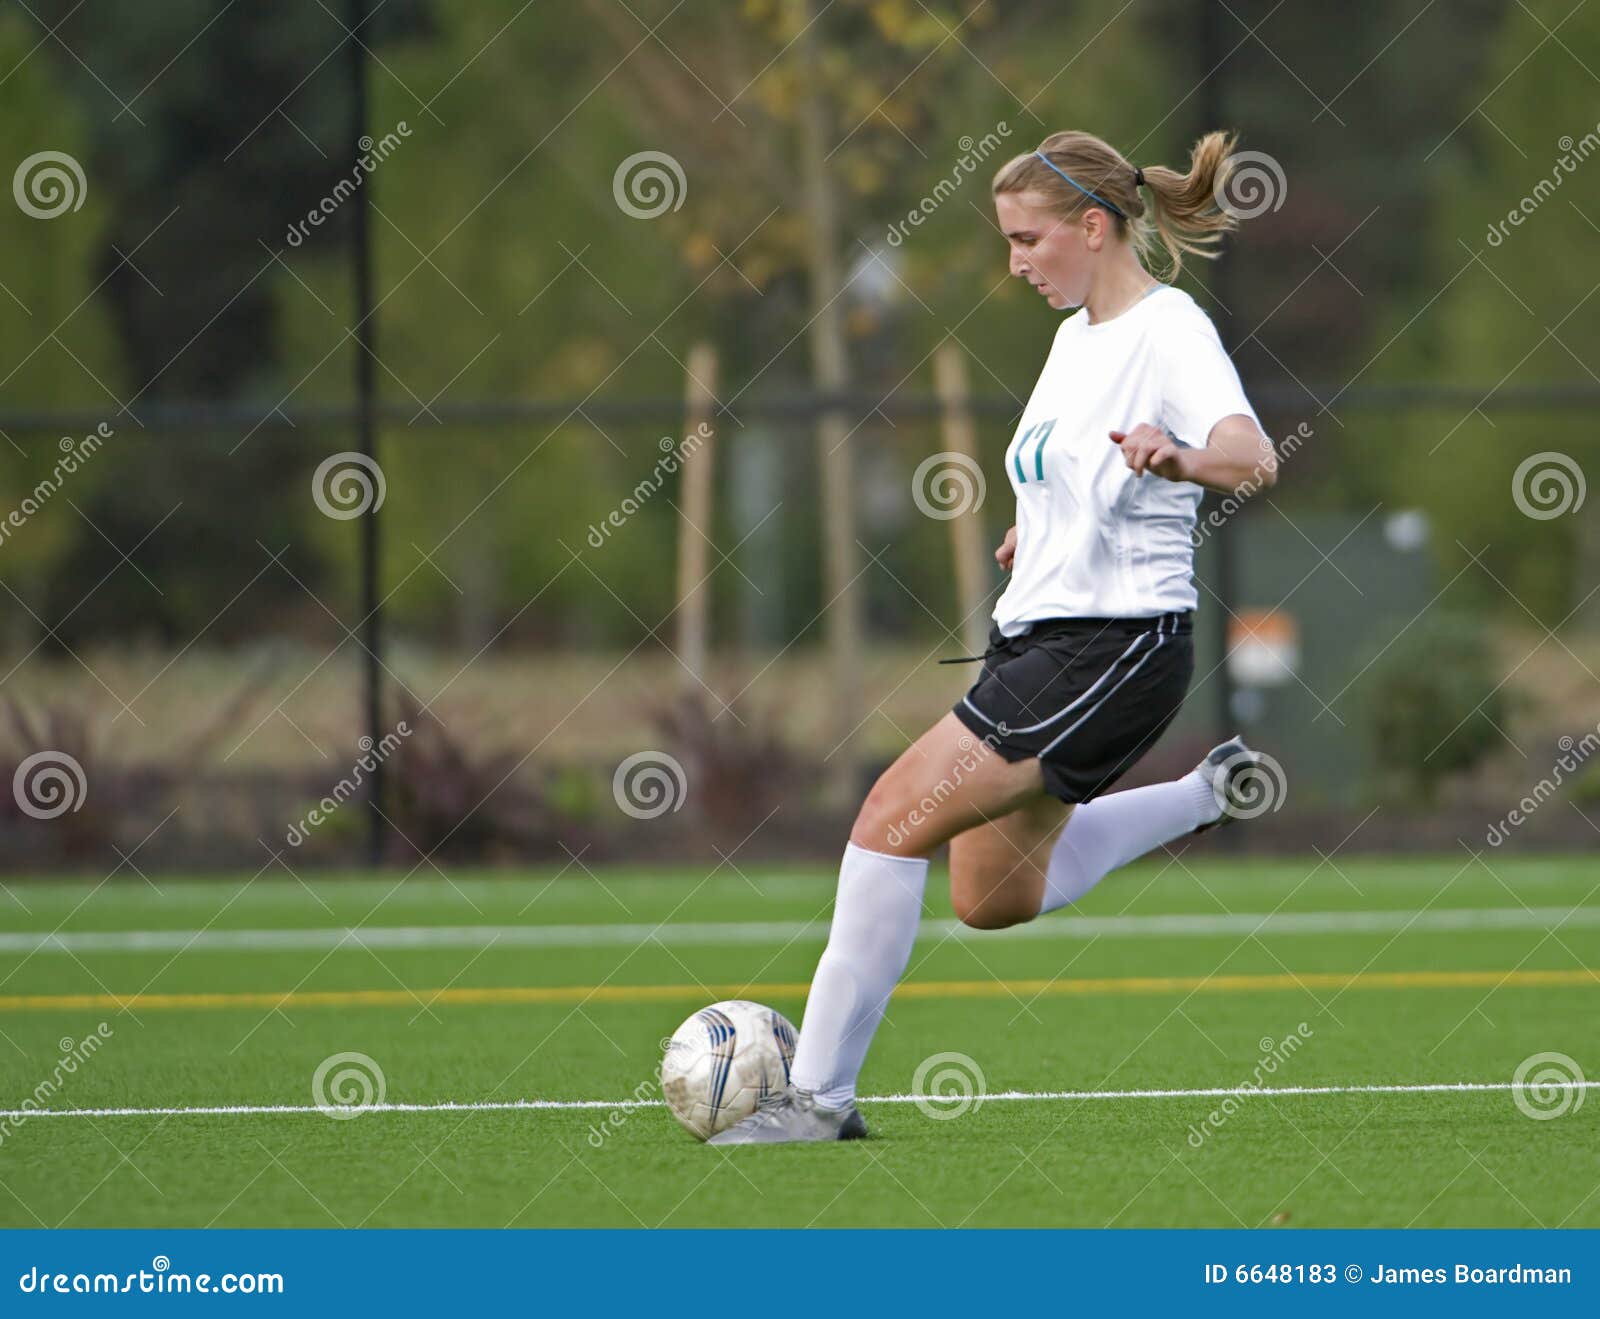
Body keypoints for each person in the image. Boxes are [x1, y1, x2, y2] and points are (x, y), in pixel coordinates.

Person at [711, 128, 1280, 1146]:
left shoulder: (1169, 327)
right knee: (988, 894)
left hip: (1114, 646)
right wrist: (1041, 525)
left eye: (1027, 239)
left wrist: (1181, 457)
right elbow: (1069, 469)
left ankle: (815, 1101)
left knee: (890, 812)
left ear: (1093, 227)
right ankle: (1207, 793)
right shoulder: (1074, 340)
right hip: (1046, 641)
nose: (1013, 261)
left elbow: (1251, 456)